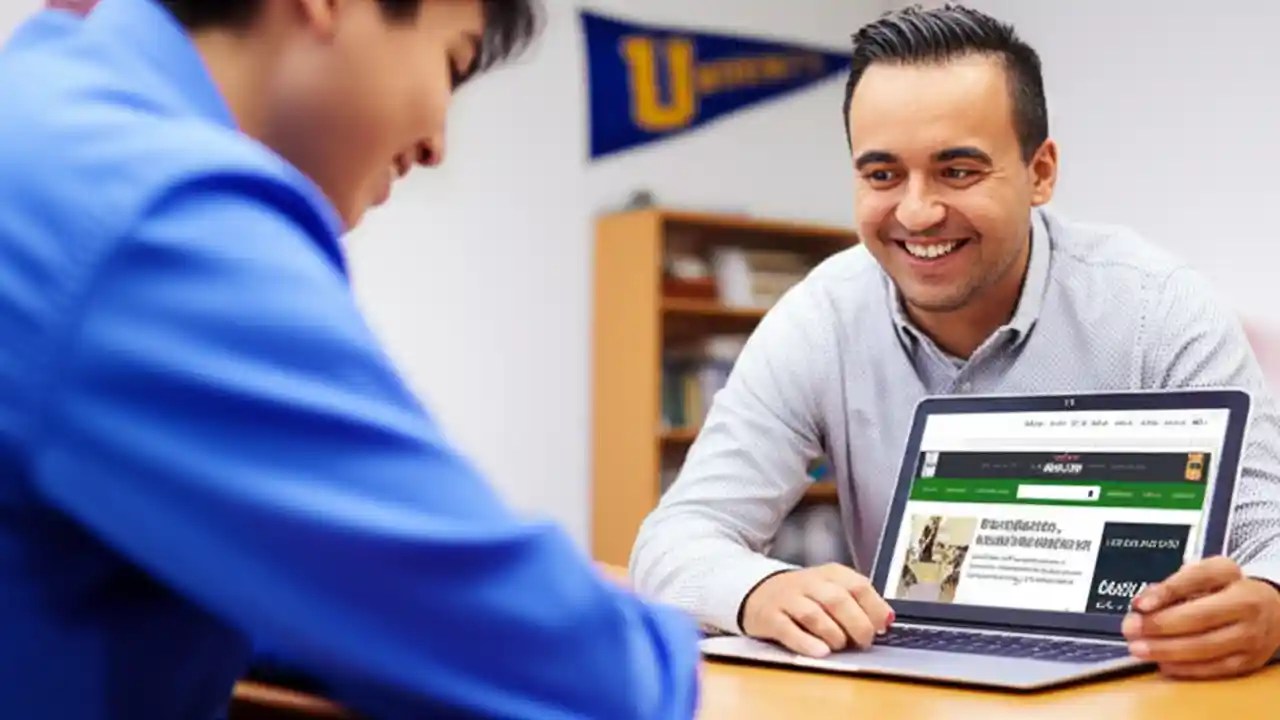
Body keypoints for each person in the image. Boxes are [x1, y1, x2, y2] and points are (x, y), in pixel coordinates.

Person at [0, 1, 700, 718]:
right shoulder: (153, 212)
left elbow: (266, 572)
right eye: (452, 62)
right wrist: (627, 625)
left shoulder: (47, 108)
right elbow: (600, 685)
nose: (438, 145)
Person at [630, 3, 1280, 680]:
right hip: (909, 690)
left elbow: (1273, 533)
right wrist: (759, 589)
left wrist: (1269, 605)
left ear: (1041, 173)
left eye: (958, 171)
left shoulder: (1158, 307)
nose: (916, 212)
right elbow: (673, 540)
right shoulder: (819, 319)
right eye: (882, 175)